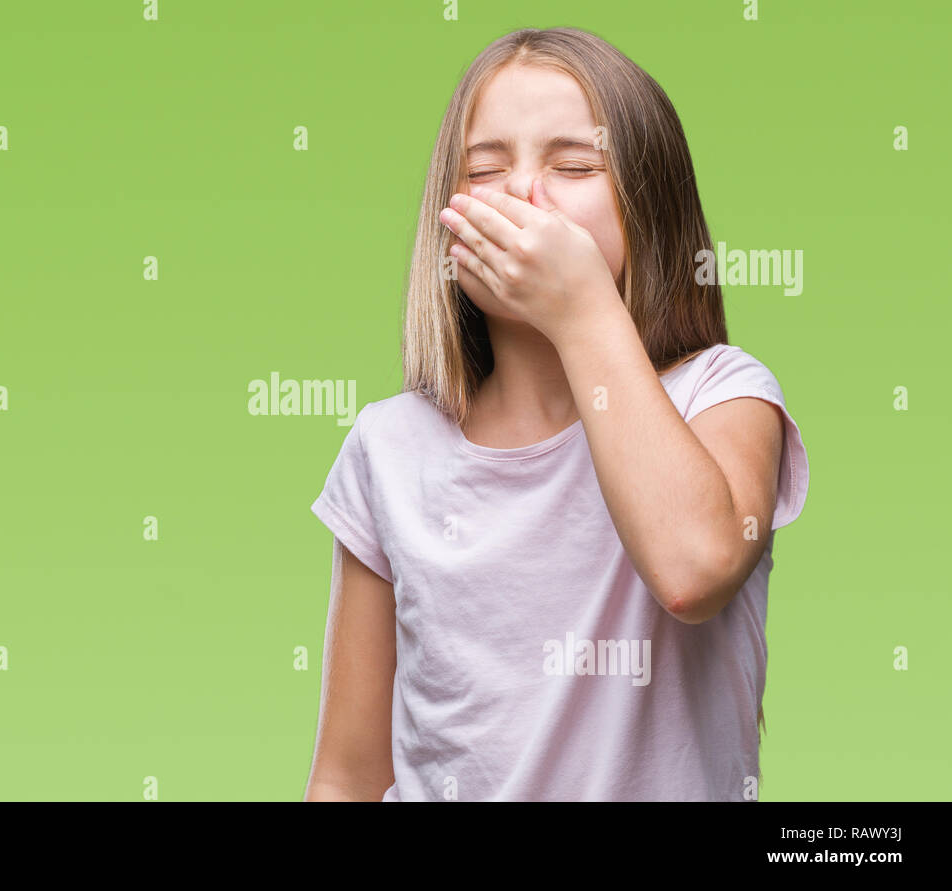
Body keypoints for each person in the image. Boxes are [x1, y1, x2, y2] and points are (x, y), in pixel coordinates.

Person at [305, 26, 809, 801]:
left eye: (573, 165)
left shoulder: (724, 395)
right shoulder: (389, 444)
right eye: (485, 168)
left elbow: (693, 569)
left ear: (651, 207)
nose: (522, 192)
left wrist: (580, 309)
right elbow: (346, 776)